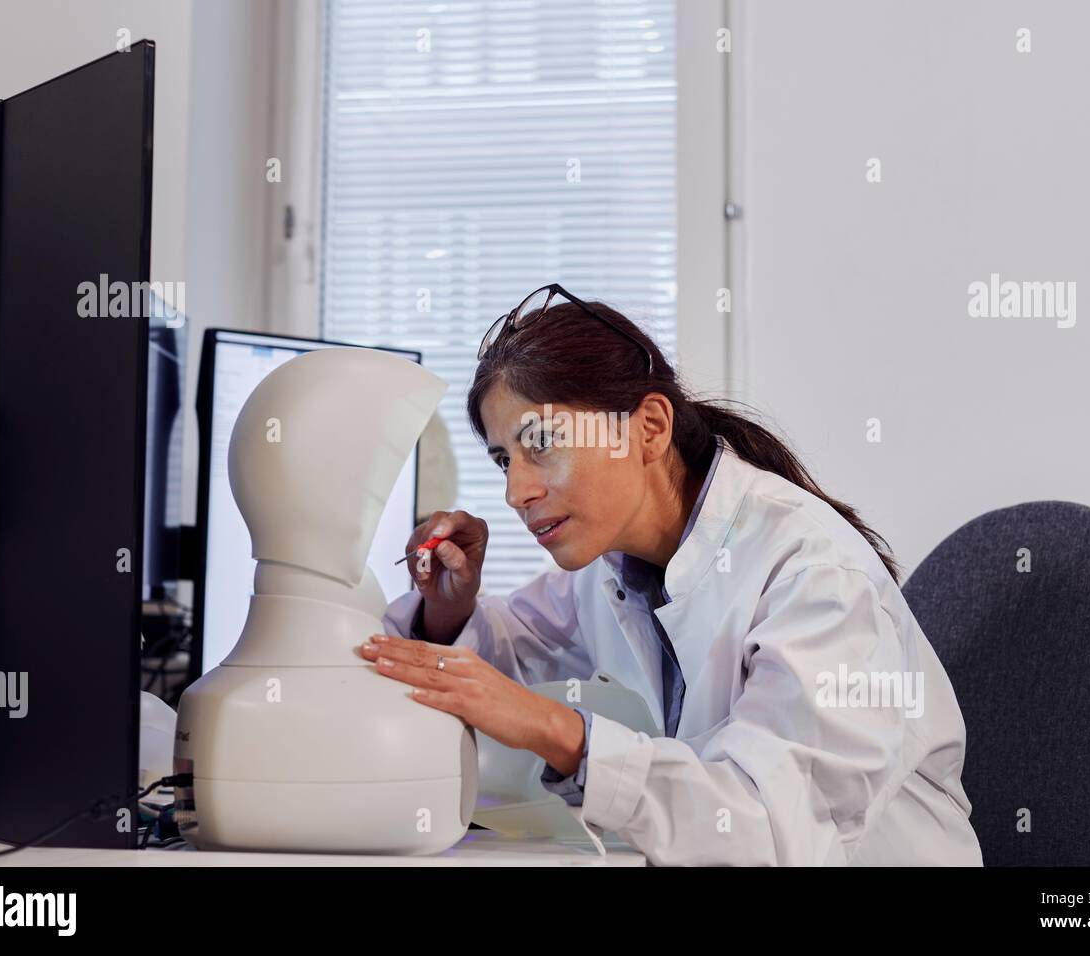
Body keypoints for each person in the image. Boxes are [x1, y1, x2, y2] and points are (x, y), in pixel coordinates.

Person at [362, 284, 983, 866]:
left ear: (650, 428)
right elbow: (515, 648)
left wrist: (561, 733)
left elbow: (773, 827)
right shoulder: (615, 563)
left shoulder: (815, 575)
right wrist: (449, 607)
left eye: (543, 443)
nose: (516, 491)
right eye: (504, 460)